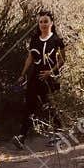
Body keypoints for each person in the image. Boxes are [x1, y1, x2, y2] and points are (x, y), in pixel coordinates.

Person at [17, 10, 66, 142]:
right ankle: (21, 137)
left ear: (51, 23)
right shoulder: (34, 40)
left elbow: (62, 60)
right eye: (41, 22)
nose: (43, 24)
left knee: (49, 105)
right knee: (29, 105)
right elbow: (30, 58)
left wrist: (51, 72)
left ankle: (58, 134)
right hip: (35, 76)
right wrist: (23, 74)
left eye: (46, 22)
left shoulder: (57, 40)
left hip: (50, 78)